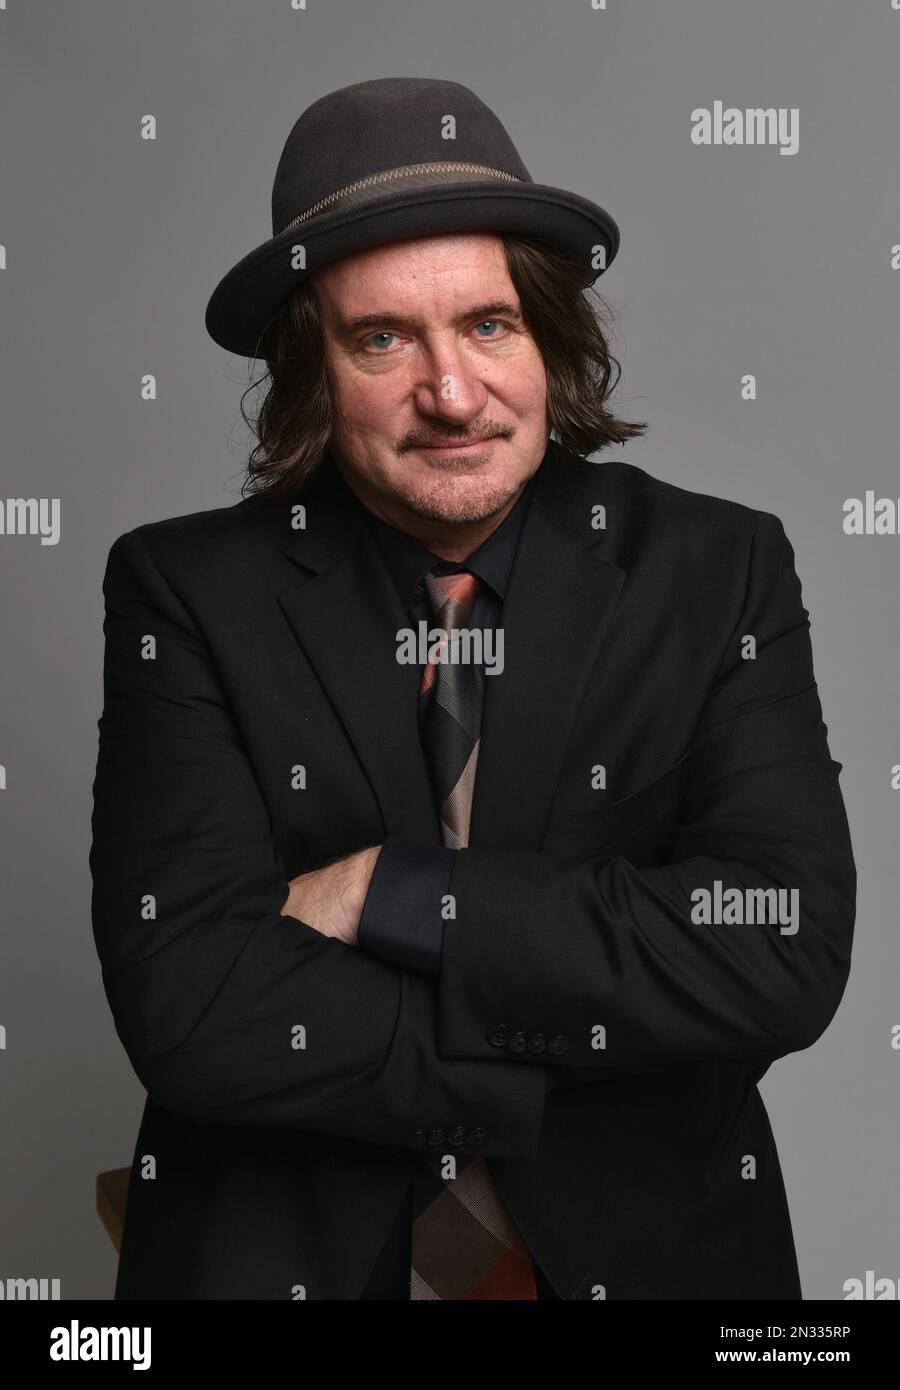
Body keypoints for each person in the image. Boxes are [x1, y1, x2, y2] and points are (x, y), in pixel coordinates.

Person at [90, 76, 856, 1300]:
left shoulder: (720, 571)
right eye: (381, 338)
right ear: (311, 366)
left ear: (549, 331)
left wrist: (392, 895)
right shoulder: (184, 592)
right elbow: (189, 1006)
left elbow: (780, 944)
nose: (453, 394)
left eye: (491, 324)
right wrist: (582, 1034)